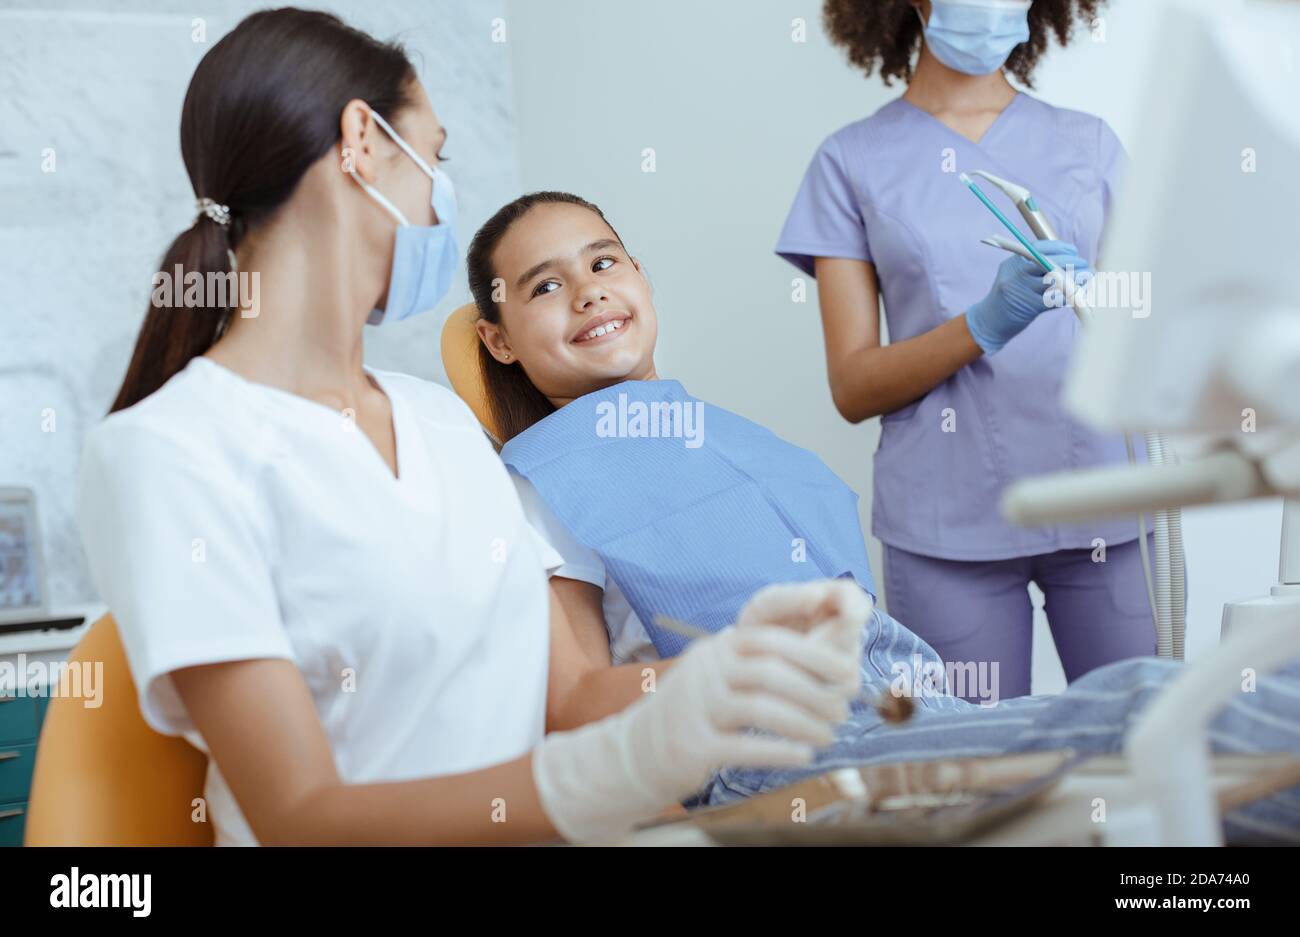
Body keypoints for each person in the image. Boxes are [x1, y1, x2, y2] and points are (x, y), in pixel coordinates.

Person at [74, 8, 868, 846]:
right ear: (362, 142)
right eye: (436, 156)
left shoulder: (440, 422)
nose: (440, 196)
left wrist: (724, 721)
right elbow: (301, 817)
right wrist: (618, 770)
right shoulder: (166, 454)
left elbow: (564, 703)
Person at [466, 189, 1300, 842]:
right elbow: (571, 701)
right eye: (545, 285)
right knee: (1146, 712)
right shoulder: (538, 480)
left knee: (1183, 706)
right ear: (499, 340)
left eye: (603, 262)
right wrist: (720, 676)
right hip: (785, 753)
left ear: (640, 277)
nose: (587, 291)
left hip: (908, 707)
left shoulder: (734, 442)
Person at [775, 0, 1154, 701]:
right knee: (975, 774)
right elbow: (853, 386)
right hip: (947, 526)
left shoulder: (1090, 145)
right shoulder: (850, 162)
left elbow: (1155, 328)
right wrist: (981, 325)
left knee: (1139, 746)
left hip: (1103, 496)